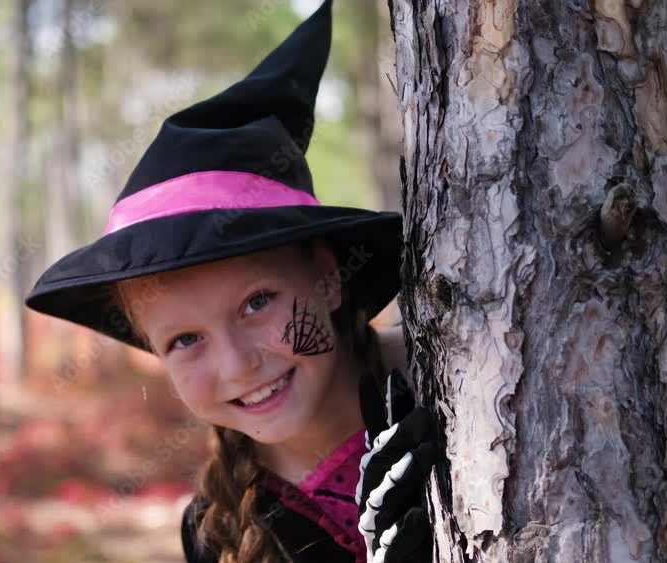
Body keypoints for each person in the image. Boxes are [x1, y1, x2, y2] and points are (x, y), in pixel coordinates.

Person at [24, 1, 440, 561]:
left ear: (326, 275)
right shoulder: (217, 532)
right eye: (185, 339)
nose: (238, 365)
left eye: (257, 302)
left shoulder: (456, 386)